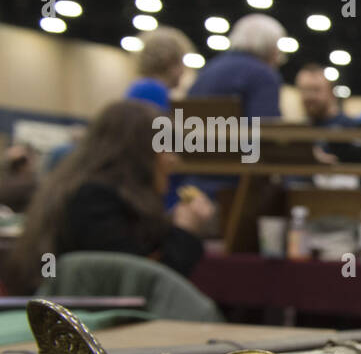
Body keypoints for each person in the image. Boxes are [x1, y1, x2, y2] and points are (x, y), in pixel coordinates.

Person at [2, 100, 215, 295]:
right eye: (165, 147)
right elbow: (135, 287)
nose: (173, 159)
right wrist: (185, 231)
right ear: (137, 153)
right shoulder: (94, 200)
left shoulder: (87, 189)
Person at [187, 13, 285, 118]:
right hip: (236, 134)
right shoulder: (263, 75)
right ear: (269, 46)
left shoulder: (208, 69)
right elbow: (266, 125)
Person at [125, 27, 194, 109]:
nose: (183, 71)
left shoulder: (142, 87)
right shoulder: (152, 90)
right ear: (169, 60)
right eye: (180, 62)